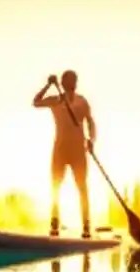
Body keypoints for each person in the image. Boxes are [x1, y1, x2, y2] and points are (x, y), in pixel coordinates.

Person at [33, 71, 96, 238]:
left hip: (78, 151)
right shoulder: (56, 100)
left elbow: (90, 121)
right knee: (55, 188)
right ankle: (54, 224)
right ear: (63, 82)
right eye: (69, 80)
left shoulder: (82, 102)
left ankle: (86, 225)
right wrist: (48, 85)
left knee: (82, 188)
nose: (73, 83)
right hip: (60, 150)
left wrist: (91, 140)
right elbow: (36, 102)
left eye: (74, 80)